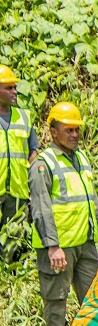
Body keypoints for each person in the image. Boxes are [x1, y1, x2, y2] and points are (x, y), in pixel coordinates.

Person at [29, 102, 98, 326]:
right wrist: (52, 246)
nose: (74, 135)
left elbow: (92, 199)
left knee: (94, 298)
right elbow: (41, 208)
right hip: (59, 248)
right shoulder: (43, 163)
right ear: (53, 132)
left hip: (85, 244)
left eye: (77, 130)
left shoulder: (80, 157)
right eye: (68, 130)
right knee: (56, 301)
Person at [0, 65, 40, 230]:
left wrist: (33, 186)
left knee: (13, 245)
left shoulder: (24, 117)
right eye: (8, 88)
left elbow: (34, 153)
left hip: (18, 193)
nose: (15, 91)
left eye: (15, 87)